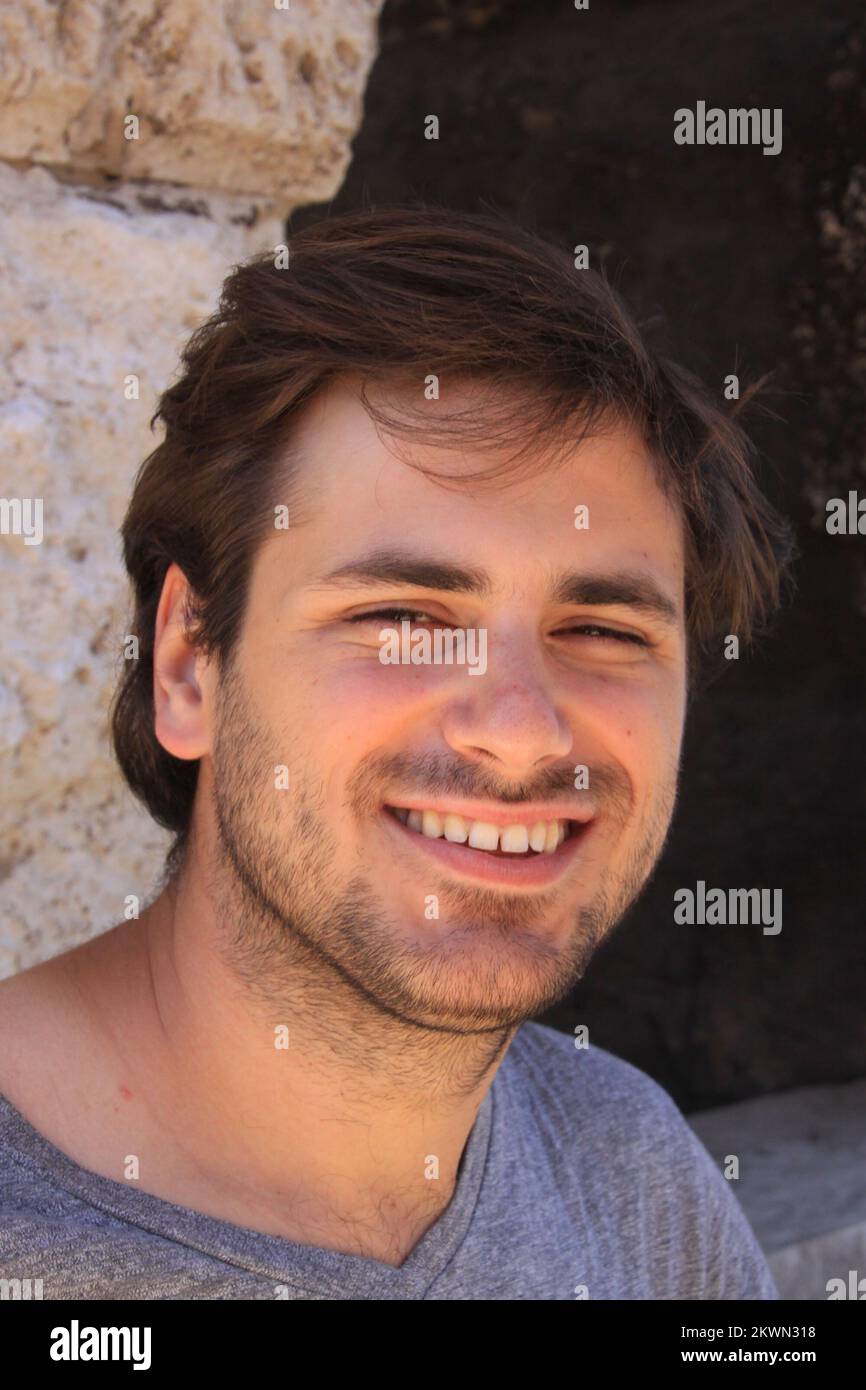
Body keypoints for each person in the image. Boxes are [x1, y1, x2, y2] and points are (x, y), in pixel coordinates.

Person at [0, 205, 793, 1299]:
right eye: (404, 617)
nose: (519, 729)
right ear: (188, 663)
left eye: (602, 631)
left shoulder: (627, 1165)